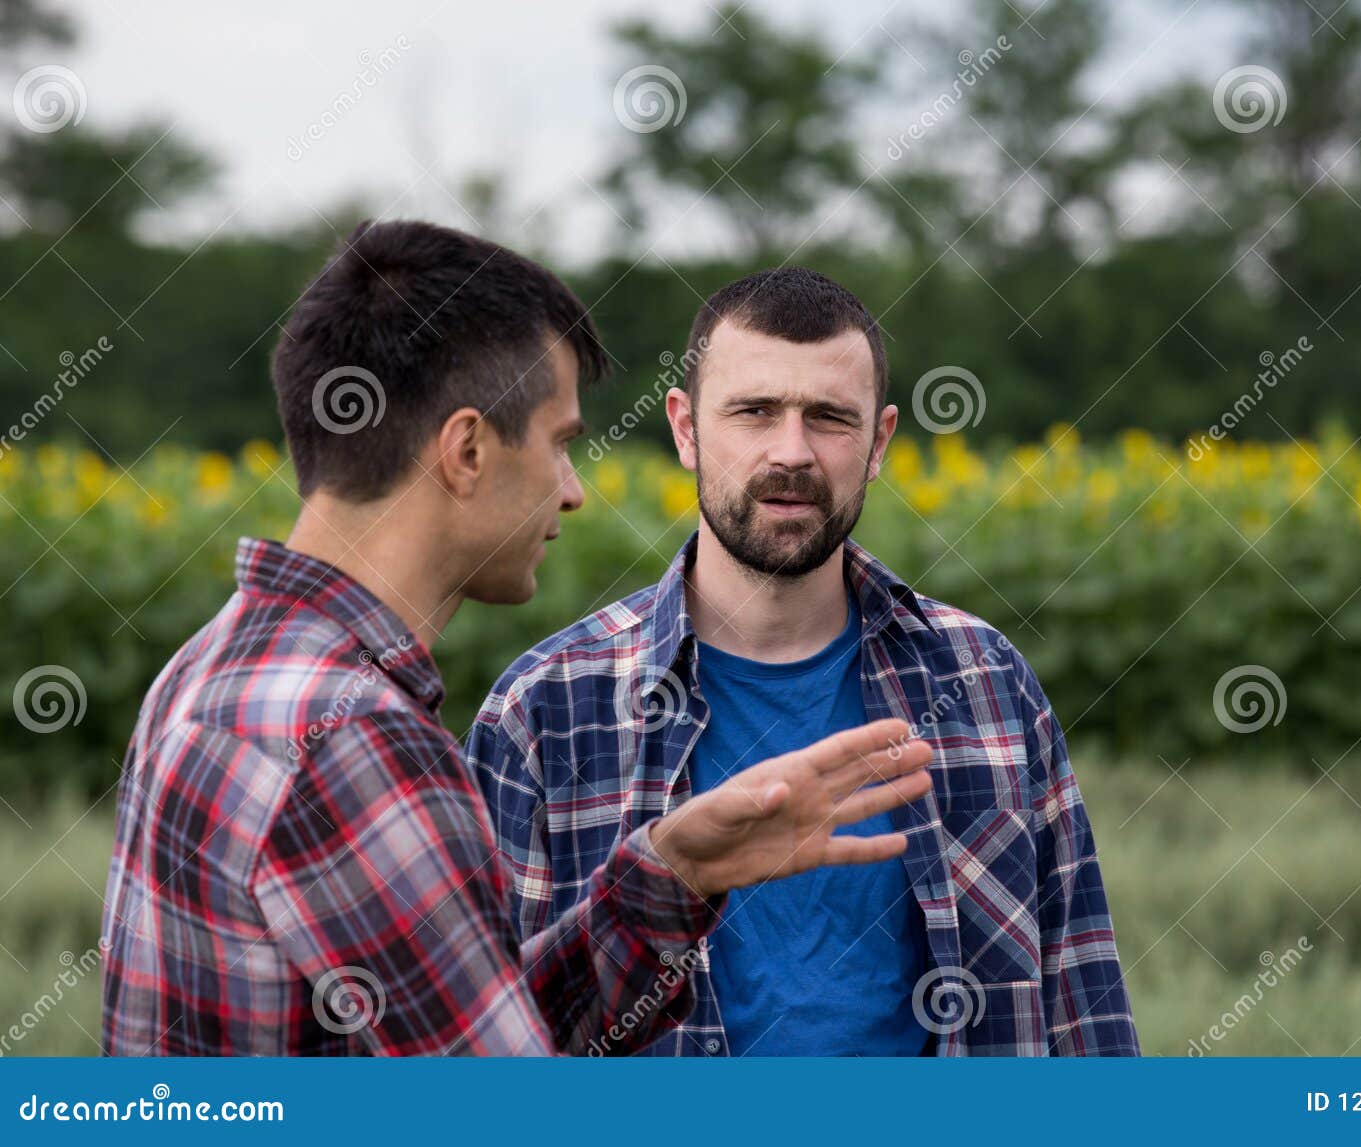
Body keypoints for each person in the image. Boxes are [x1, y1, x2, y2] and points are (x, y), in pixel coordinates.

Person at [99, 223, 932, 1056]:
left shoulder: (214, 666)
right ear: (466, 450)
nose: (571, 490)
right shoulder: (356, 741)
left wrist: (669, 872)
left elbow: (458, 1036)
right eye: (560, 442)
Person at [469, 266, 1139, 1056]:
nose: (792, 452)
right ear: (684, 429)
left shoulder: (984, 682)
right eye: (754, 412)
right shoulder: (548, 712)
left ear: (880, 440)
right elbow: (480, 1054)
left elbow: (1081, 1005)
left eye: (829, 417)